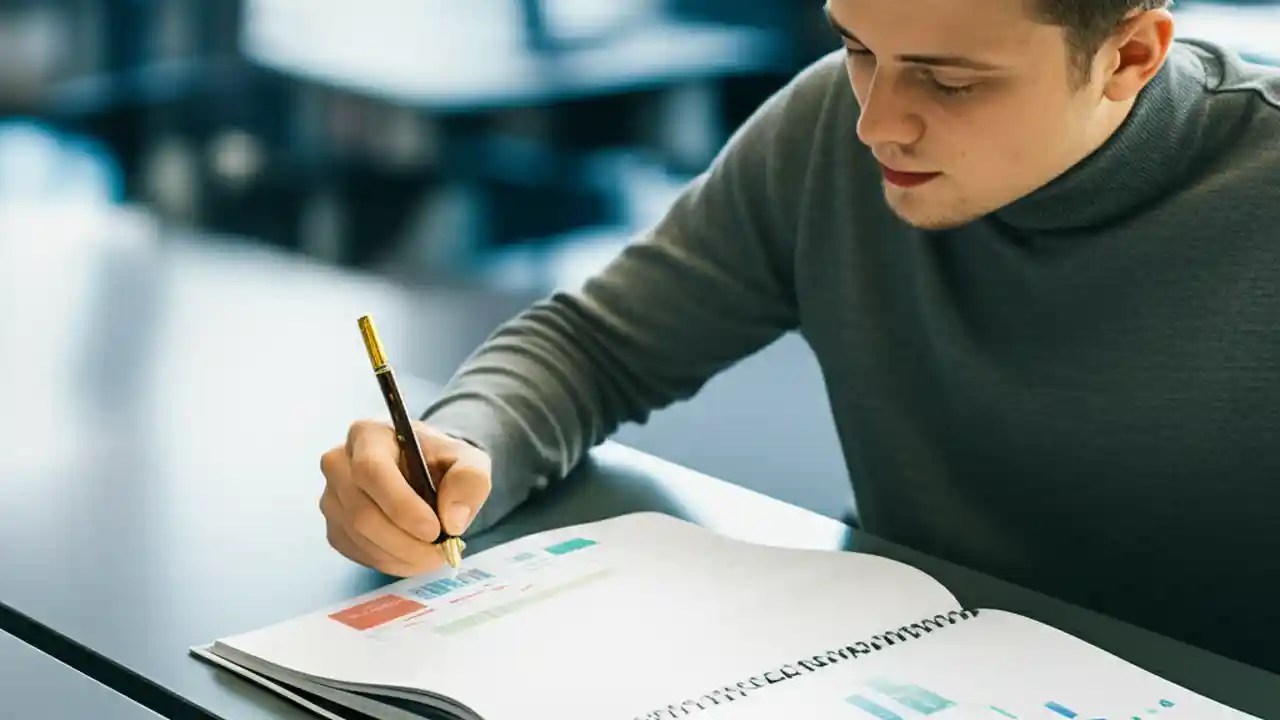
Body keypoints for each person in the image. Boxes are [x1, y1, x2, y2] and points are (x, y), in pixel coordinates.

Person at [320, 0, 1280, 673]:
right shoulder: (830, 127)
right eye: (861, 47)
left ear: (1129, 57)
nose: (877, 124)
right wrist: (456, 448)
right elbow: (594, 347)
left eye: (949, 84)